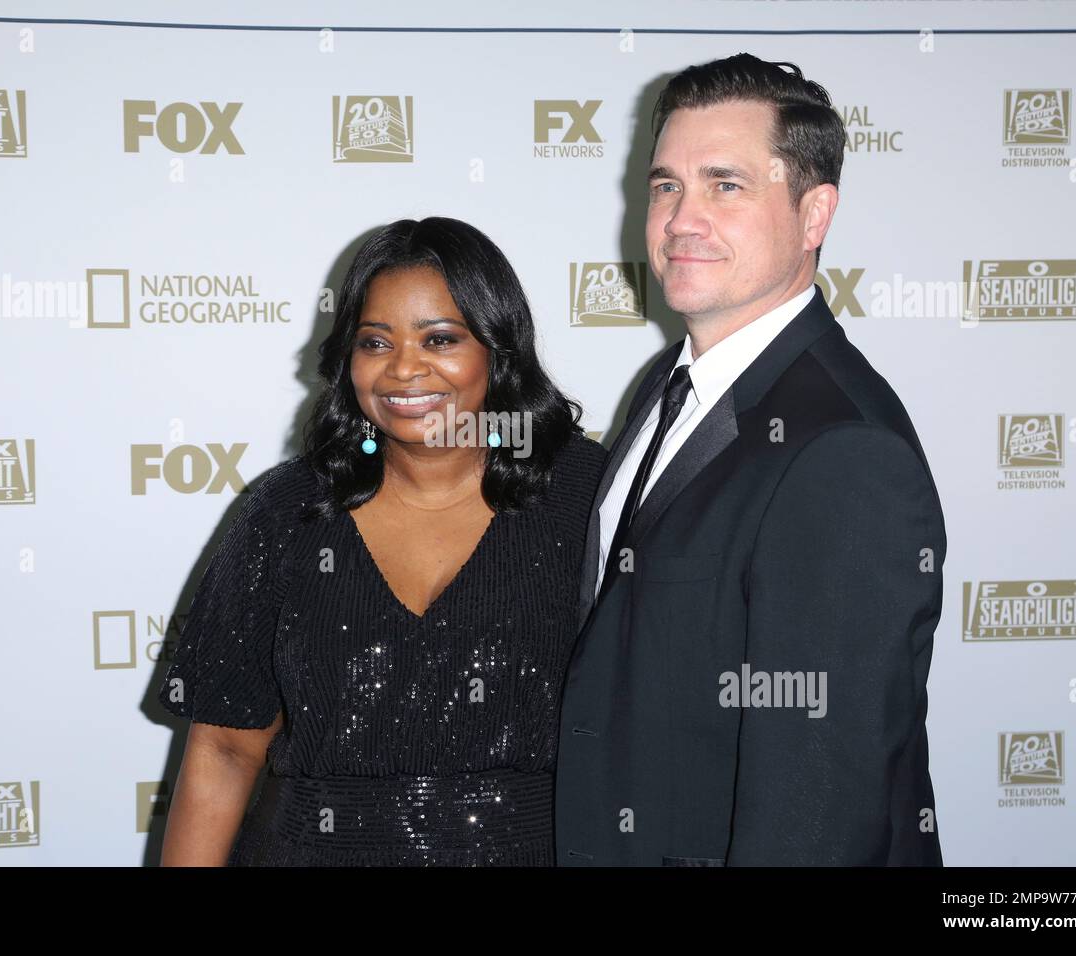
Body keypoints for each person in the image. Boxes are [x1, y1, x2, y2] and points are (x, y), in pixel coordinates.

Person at [555, 53, 947, 866]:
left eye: (725, 185)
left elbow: (820, 809)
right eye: (667, 186)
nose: (680, 219)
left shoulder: (846, 450)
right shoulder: (667, 384)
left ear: (814, 216)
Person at [157, 216, 606, 865]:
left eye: (440, 339)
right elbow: (225, 750)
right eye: (375, 342)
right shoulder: (286, 511)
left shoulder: (589, 498)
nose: (403, 369)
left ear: (498, 350)